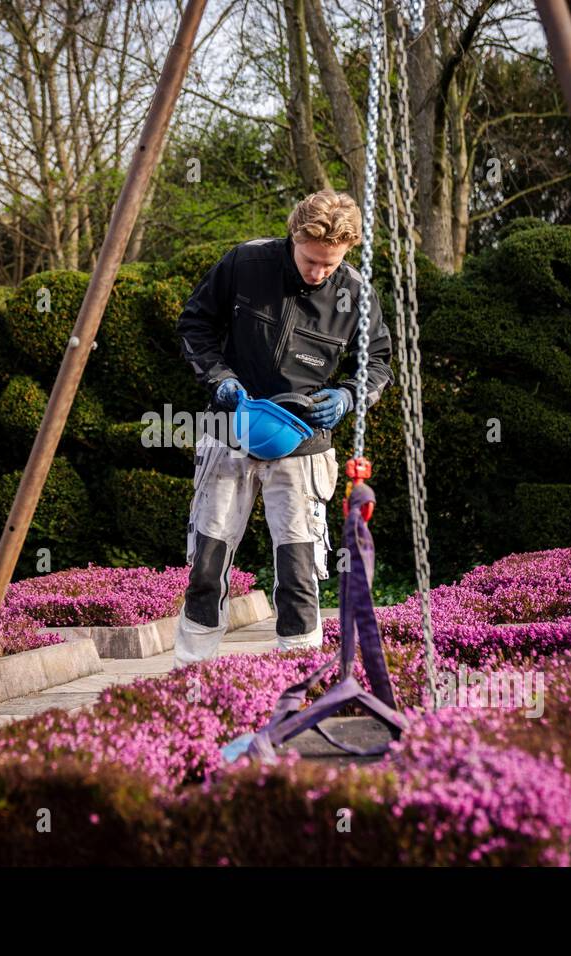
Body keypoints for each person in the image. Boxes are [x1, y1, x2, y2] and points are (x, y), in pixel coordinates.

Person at [172, 190, 393, 665]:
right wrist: (219, 379)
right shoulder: (245, 263)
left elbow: (378, 362)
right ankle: (188, 673)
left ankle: (299, 670)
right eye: (311, 260)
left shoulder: (356, 292)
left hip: (305, 442)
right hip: (230, 431)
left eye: (329, 265)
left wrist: (350, 395)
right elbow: (195, 325)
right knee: (206, 564)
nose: (318, 272)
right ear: (294, 235)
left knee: (299, 570)